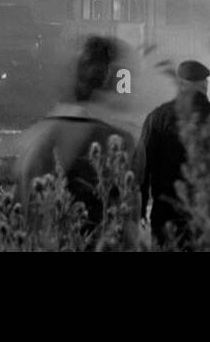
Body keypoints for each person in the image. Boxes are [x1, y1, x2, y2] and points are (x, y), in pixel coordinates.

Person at [13, 36, 135, 231]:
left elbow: (25, 187)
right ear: (110, 78)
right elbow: (129, 221)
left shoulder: (49, 129)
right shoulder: (120, 140)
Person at [135, 59, 210, 248]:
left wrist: (140, 210)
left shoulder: (156, 118)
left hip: (165, 214)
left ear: (180, 84)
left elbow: (142, 167)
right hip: (207, 214)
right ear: (205, 85)